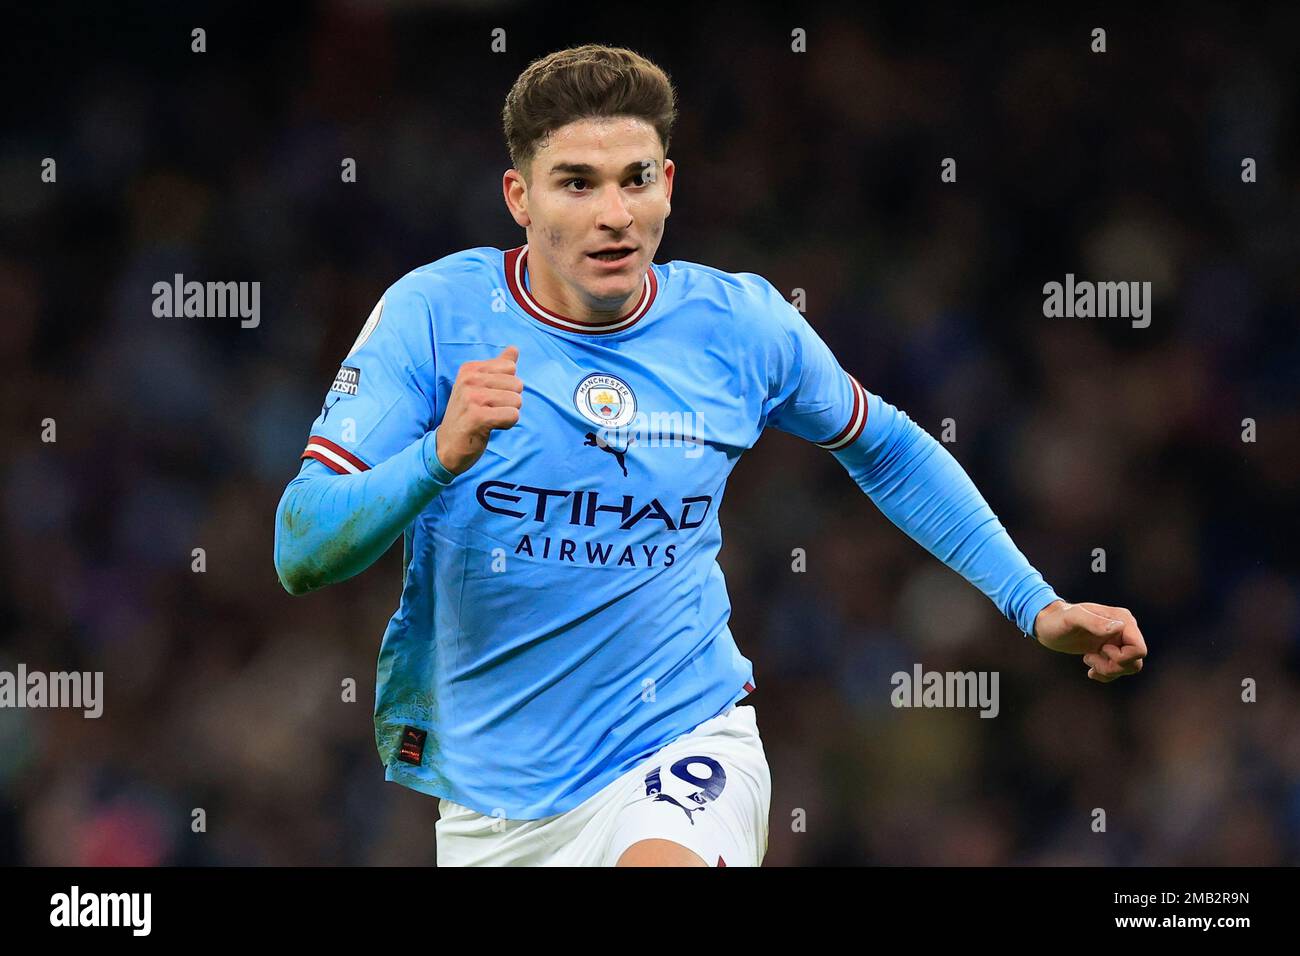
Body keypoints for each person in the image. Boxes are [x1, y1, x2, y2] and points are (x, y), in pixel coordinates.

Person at [273, 43, 1146, 867]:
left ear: (668, 186)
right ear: (519, 197)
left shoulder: (738, 326)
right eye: (575, 184)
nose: (613, 214)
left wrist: (1036, 604)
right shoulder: (436, 316)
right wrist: (438, 455)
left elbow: (887, 448)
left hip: (680, 742)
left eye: (635, 180)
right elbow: (300, 550)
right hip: (491, 799)